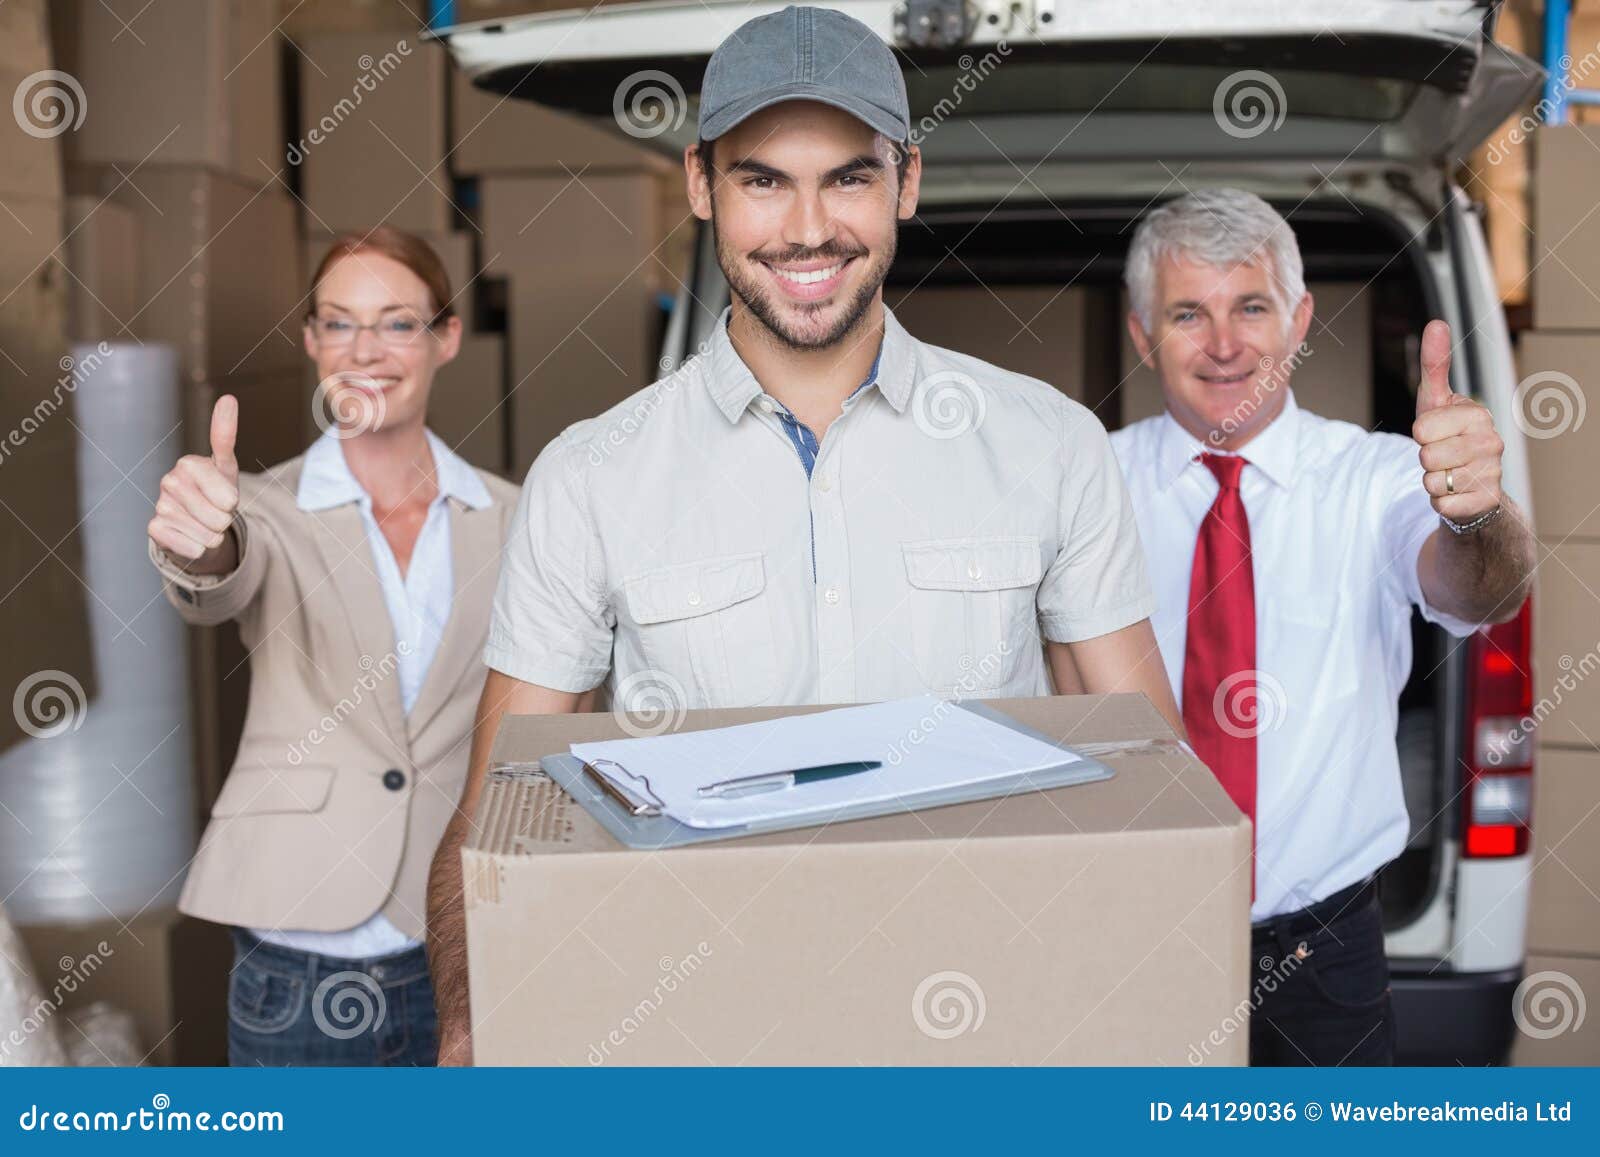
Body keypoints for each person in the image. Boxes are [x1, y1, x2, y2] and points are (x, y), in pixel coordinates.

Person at [426, 4, 1182, 1065]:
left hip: (986, 1032)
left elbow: (1155, 775)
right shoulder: (591, 477)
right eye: (762, 179)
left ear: (907, 182)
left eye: (849, 177)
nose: (807, 227)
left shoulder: (1049, 445)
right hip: (698, 1041)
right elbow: (493, 817)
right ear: (700, 185)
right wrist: (468, 1030)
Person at [1104, 188, 1536, 1065]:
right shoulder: (1086, 483)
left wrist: (1476, 515)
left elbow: (1485, 590)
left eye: (1251, 307)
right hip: (1126, 927)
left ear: (1299, 320)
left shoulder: (1378, 476)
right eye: (1190, 313)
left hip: (1322, 948)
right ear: (1144, 333)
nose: (1225, 344)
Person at [146, 227, 523, 1066]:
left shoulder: (515, 515)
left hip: (465, 943)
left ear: (445, 337)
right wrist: (198, 533)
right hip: (299, 954)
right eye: (339, 322)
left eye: (397, 323)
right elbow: (217, 574)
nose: (366, 351)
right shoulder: (260, 508)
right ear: (311, 340)